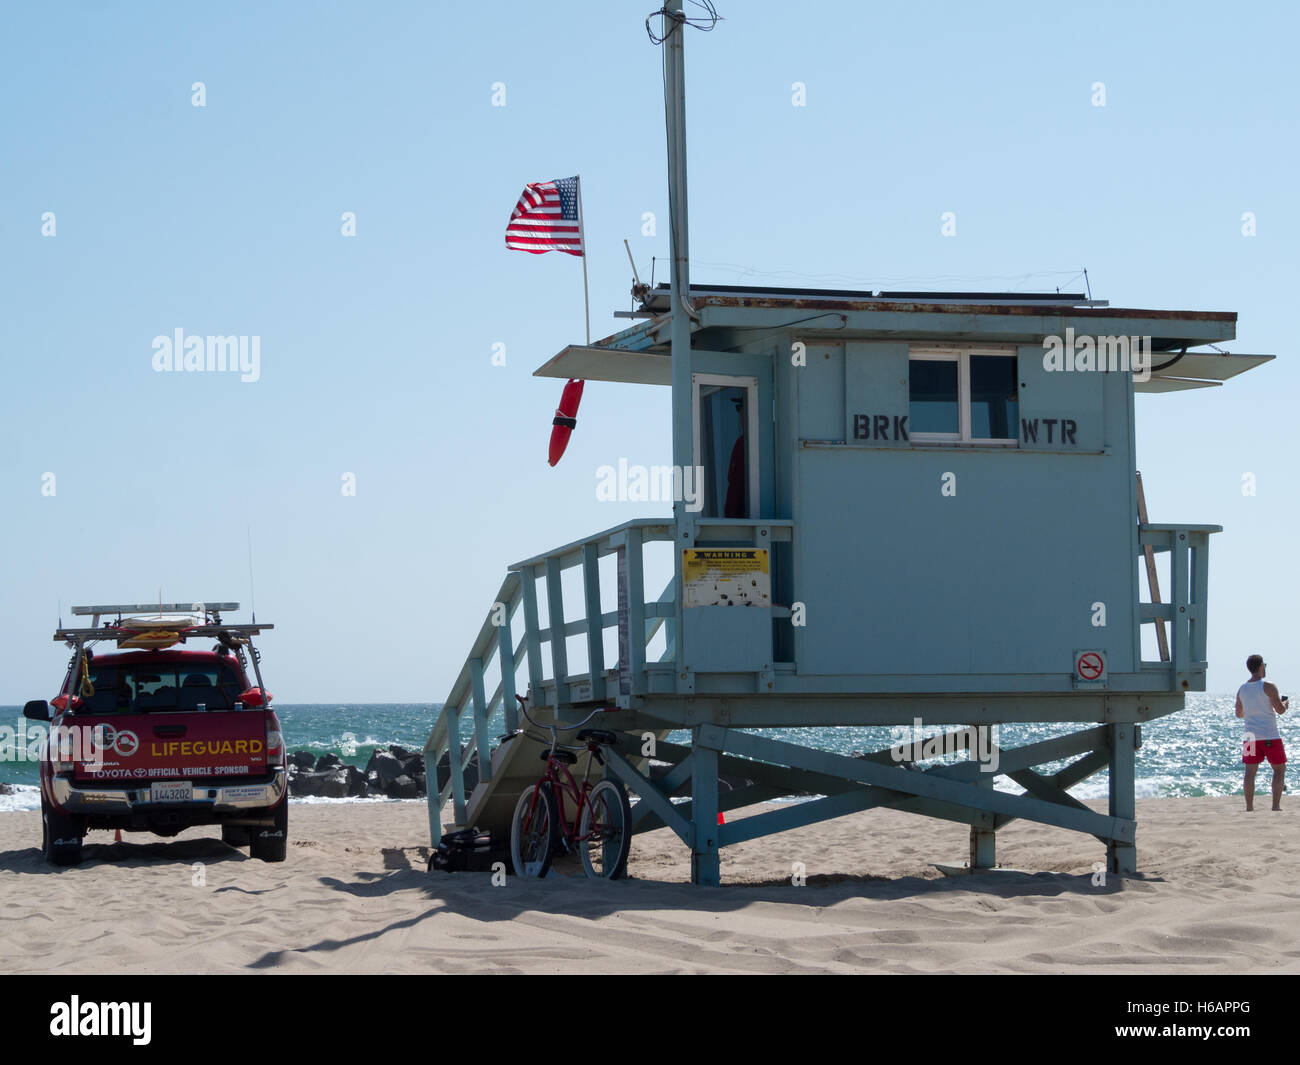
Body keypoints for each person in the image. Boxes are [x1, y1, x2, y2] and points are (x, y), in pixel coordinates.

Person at [1236, 654, 1288, 811]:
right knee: (1279, 769)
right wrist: (1285, 704)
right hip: (1269, 734)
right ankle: (1275, 806)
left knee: (1250, 772)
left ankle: (1249, 807)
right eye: (1264, 665)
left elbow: (1239, 714)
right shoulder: (1268, 686)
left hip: (1249, 735)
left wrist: (1253, 710)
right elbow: (1280, 710)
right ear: (1260, 666)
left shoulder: (1242, 689)